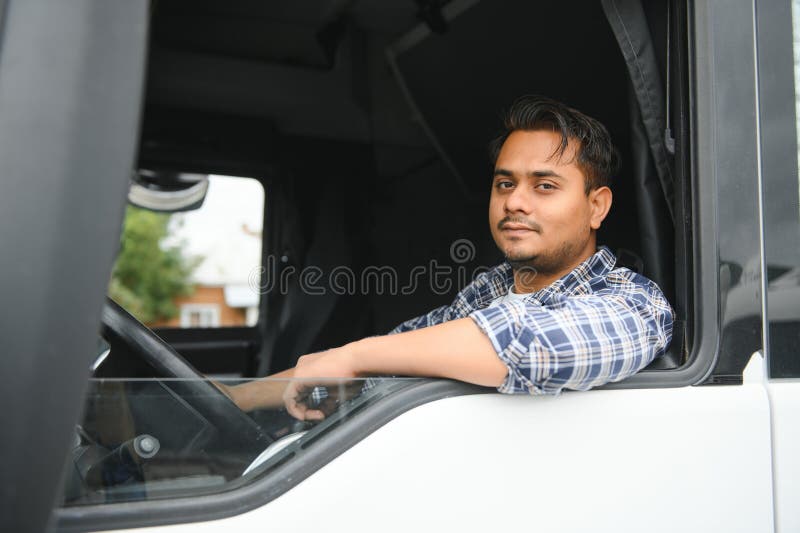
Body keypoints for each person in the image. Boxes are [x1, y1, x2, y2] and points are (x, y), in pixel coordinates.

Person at [224, 95, 674, 421]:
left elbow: (529, 344)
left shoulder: (635, 304)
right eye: (504, 184)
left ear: (597, 206)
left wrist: (356, 357)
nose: (515, 202)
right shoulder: (493, 288)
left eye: (544, 186)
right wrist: (235, 397)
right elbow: (400, 348)